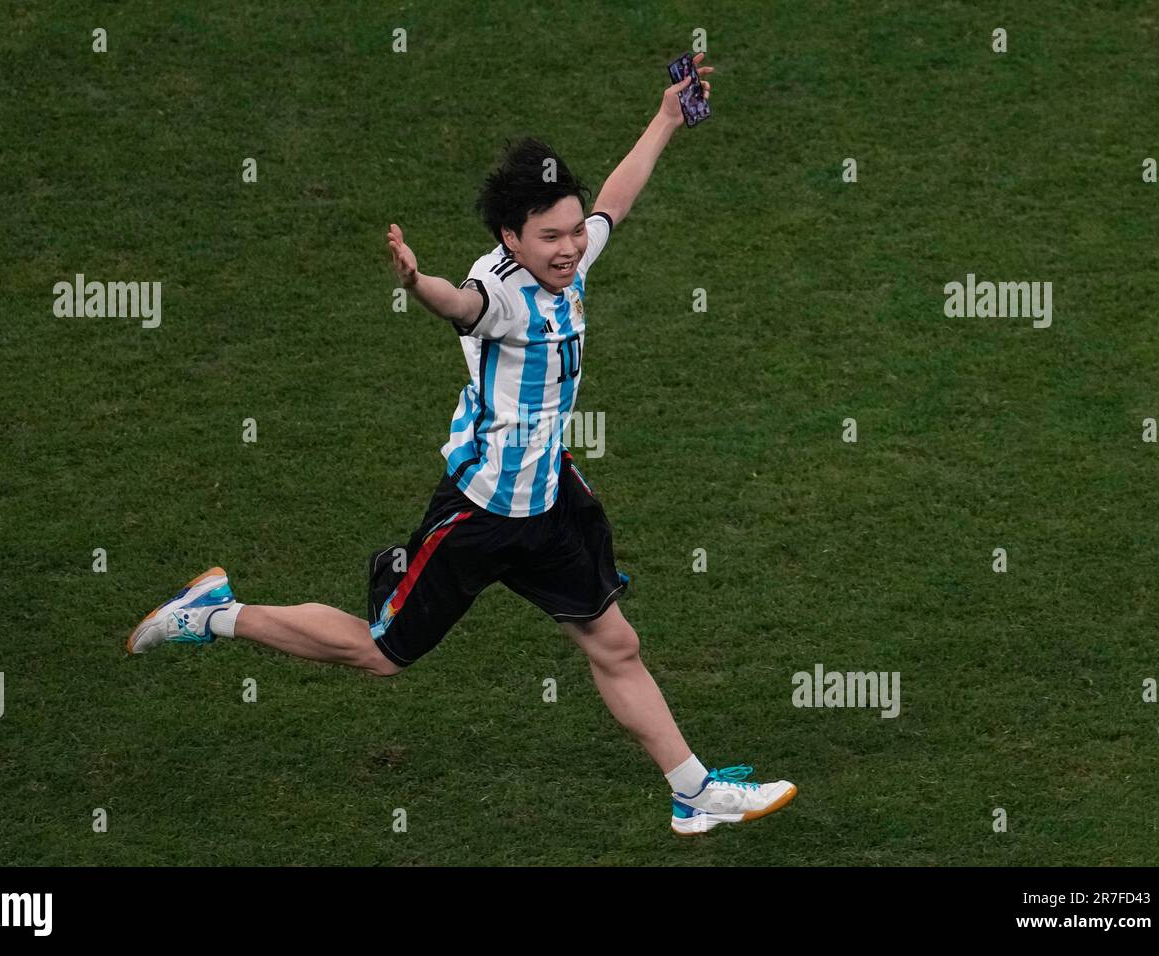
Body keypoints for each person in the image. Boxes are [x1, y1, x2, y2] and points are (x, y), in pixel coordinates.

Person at [127, 54, 796, 835]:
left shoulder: (567, 265)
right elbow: (460, 302)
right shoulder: (505, 297)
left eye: (574, 232)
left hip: (545, 502)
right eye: (551, 237)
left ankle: (693, 793)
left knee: (615, 642)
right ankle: (217, 612)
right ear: (511, 237)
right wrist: (415, 283)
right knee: (380, 656)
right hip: (481, 517)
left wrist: (666, 120)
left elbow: (617, 199)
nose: (572, 247)